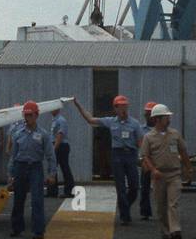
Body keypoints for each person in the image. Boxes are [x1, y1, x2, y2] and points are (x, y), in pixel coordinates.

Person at [74, 95, 145, 225]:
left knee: (134, 186)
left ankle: (124, 206)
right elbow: (90, 120)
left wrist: (144, 157)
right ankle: (125, 216)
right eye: (120, 107)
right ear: (115, 108)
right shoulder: (111, 121)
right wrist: (78, 105)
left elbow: (141, 142)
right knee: (120, 187)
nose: (123, 109)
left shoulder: (135, 124)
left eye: (125, 106)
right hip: (117, 155)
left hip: (130, 155)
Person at [139, 104, 192, 239]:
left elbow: (183, 152)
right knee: (161, 205)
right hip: (159, 176)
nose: (169, 119)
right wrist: (153, 170)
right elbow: (145, 156)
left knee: (173, 203)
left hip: (174, 174)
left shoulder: (175, 134)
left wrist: (189, 168)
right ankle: (165, 231)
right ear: (157, 119)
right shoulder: (149, 137)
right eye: (166, 117)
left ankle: (175, 230)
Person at [7, 100, 58, 239]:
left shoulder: (43, 134)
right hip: (20, 167)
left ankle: (38, 230)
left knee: (37, 199)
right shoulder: (17, 134)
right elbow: (13, 156)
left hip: (36, 167)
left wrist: (52, 174)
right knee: (18, 199)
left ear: (36, 115)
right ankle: (16, 227)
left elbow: (50, 155)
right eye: (26, 115)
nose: (27, 118)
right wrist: (10, 175)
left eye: (30, 115)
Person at [46, 107, 75, 198]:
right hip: (56, 145)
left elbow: (60, 135)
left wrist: (54, 148)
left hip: (61, 146)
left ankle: (69, 191)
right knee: (52, 168)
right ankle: (52, 191)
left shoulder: (61, 120)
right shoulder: (55, 120)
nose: (51, 109)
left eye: (53, 108)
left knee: (64, 168)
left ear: (58, 109)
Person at [138, 101, 156, 220]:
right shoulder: (141, 130)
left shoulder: (163, 130)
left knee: (163, 189)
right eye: (146, 114)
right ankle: (145, 212)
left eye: (149, 113)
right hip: (146, 161)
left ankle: (165, 211)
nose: (147, 116)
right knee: (144, 188)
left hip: (160, 162)